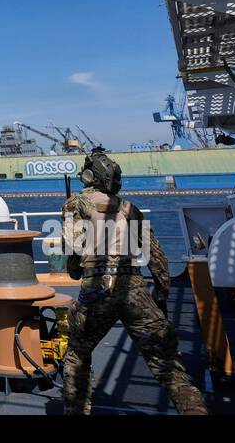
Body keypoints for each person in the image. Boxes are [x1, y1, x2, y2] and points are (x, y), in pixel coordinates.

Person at [61, 148, 208, 415]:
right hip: (135, 288)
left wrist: (74, 270)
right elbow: (157, 258)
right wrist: (160, 296)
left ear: (89, 177)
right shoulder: (129, 209)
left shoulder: (76, 204)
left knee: (77, 356)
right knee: (168, 366)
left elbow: (74, 250)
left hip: (96, 291)